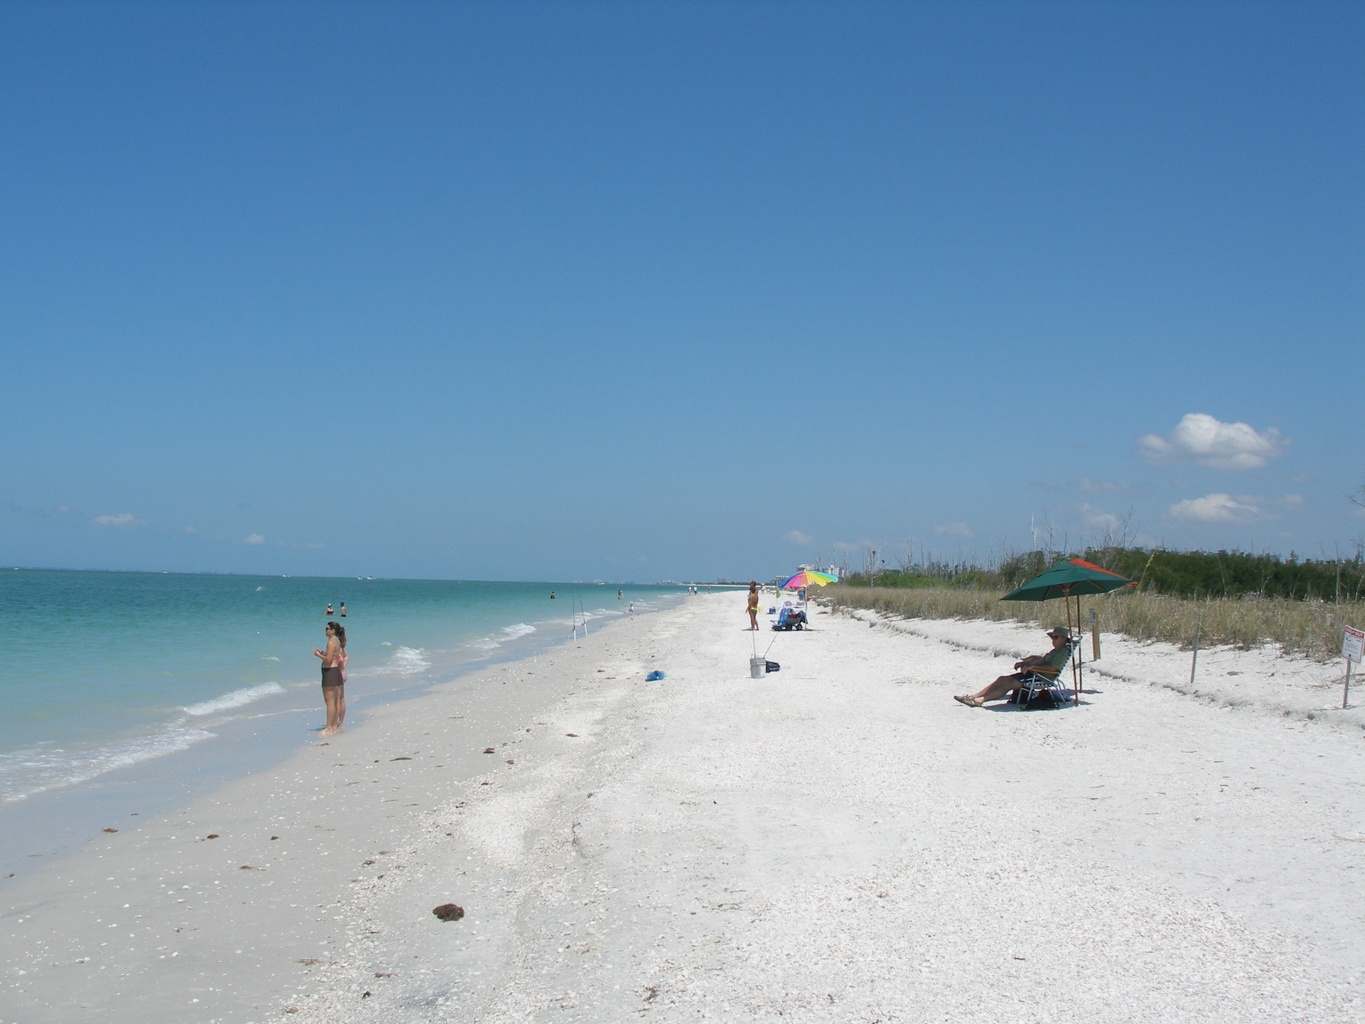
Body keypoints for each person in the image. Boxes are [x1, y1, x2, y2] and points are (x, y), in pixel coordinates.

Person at [954, 626, 1073, 708]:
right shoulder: (1056, 651)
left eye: (1055, 637)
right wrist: (1027, 663)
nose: (1053, 640)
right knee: (1002, 679)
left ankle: (980, 700)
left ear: (1063, 639)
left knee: (1008, 683)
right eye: (1052, 637)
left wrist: (1032, 667)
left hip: (1041, 677)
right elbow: (1043, 660)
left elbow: (1053, 669)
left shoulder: (1062, 652)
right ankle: (973, 696)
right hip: (1035, 674)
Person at [313, 620, 347, 735]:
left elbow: (328, 659)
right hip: (335, 670)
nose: (325, 631)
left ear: (332, 630)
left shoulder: (332, 642)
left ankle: (329, 727)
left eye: (327, 628)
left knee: (329, 701)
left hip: (330, 671)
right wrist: (324, 653)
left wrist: (318, 655)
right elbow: (333, 656)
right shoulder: (336, 642)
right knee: (335, 700)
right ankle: (333, 725)